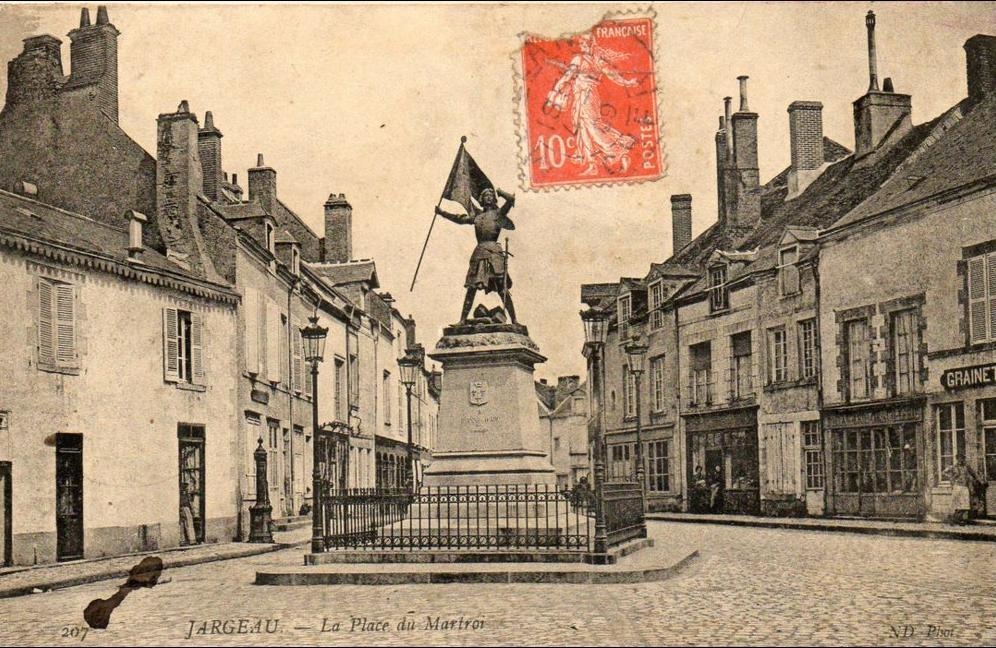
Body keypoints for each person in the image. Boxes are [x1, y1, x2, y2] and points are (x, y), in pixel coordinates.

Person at [543, 33, 640, 176]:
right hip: (585, 96)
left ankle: (619, 152)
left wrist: (556, 89)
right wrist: (627, 82)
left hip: (586, 96)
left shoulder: (581, 59)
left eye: (584, 44)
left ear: (591, 44)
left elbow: (568, 76)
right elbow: (612, 75)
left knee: (591, 126)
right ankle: (592, 163)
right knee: (583, 127)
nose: (582, 46)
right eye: (581, 44)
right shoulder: (597, 60)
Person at [436, 187, 518, 323]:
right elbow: (460, 219)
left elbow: (511, 199)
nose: (488, 197)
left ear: (494, 199)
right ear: (481, 199)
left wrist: (500, 191)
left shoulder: (498, 214)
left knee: (502, 289)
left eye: (491, 195)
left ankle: (514, 320)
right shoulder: (477, 217)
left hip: (494, 253)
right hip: (479, 252)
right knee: (472, 287)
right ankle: (462, 320)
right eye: (485, 195)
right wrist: (442, 213)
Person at [942, 455, 984, 525]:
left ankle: (958, 518)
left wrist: (980, 481)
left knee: (965, 504)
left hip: (965, 487)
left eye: (962, 459)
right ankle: (955, 519)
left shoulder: (966, 467)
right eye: (959, 459)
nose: (961, 460)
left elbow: (974, 474)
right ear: (957, 459)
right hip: (957, 486)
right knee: (957, 503)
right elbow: (944, 472)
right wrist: (951, 478)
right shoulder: (953, 467)